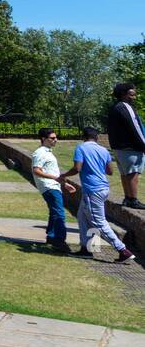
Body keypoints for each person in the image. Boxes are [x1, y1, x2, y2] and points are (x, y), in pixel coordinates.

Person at [61, 126, 135, 263]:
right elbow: (110, 171)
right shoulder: (103, 150)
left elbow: (77, 168)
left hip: (92, 190)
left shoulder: (81, 148)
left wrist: (63, 175)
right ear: (97, 137)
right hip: (103, 188)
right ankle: (87, 249)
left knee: (98, 221)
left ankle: (123, 250)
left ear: (84, 137)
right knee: (82, 217)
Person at [30, 128, 71, 254]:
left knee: (54, 212)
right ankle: (59, 241)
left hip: (53, 185)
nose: (55, 140)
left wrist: (64, 183)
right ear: (43, 139)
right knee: (59, 213)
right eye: (52, 138)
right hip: (49, 187)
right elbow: (36, 170)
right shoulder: (40, 152)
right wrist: (55, 179)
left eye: (55, 137)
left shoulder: (48, 152)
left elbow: (52, 171)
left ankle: (52, 237)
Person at [105, 82, 145, 211]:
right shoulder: (125, 107)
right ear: (124, 94)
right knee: (133, 173)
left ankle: (128, 198)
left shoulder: (115, 107)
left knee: (125, 173)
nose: (134, 97)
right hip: (130, 148)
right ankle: (133, 199)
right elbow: (135, 127)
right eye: (132, 94)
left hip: (118, 147)